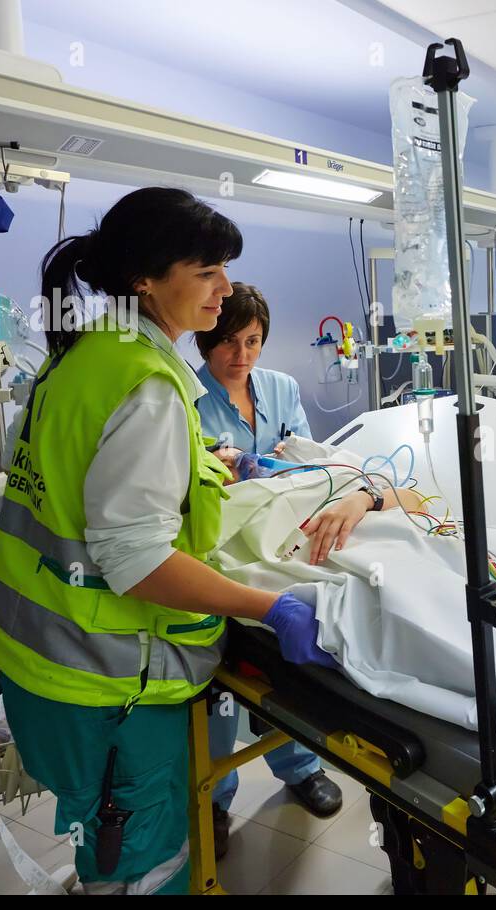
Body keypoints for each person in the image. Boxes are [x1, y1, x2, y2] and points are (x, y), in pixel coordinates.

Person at [0, 188, 327, 894]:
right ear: (146, 278)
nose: (224, 290)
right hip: (105, 680)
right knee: (146, 861)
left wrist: (198, 467)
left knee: (101, 839)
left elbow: (70, 481)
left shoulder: (78, 356)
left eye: (225, 270)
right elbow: (136, 560)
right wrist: (268, 607)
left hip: (32, 654)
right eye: (206, 272)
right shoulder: (149, 384)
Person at [194, 283, 340, 853]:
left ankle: (300, 768)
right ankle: (216, 798)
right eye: (229, 341)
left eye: (254, 341)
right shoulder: (185, 395)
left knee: (287, 675)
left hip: (283, 543)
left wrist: (264, 465)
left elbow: (309, 461)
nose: (243, 355)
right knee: (223, 687)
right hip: (223, 553)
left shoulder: (279, 389)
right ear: (207, 339)